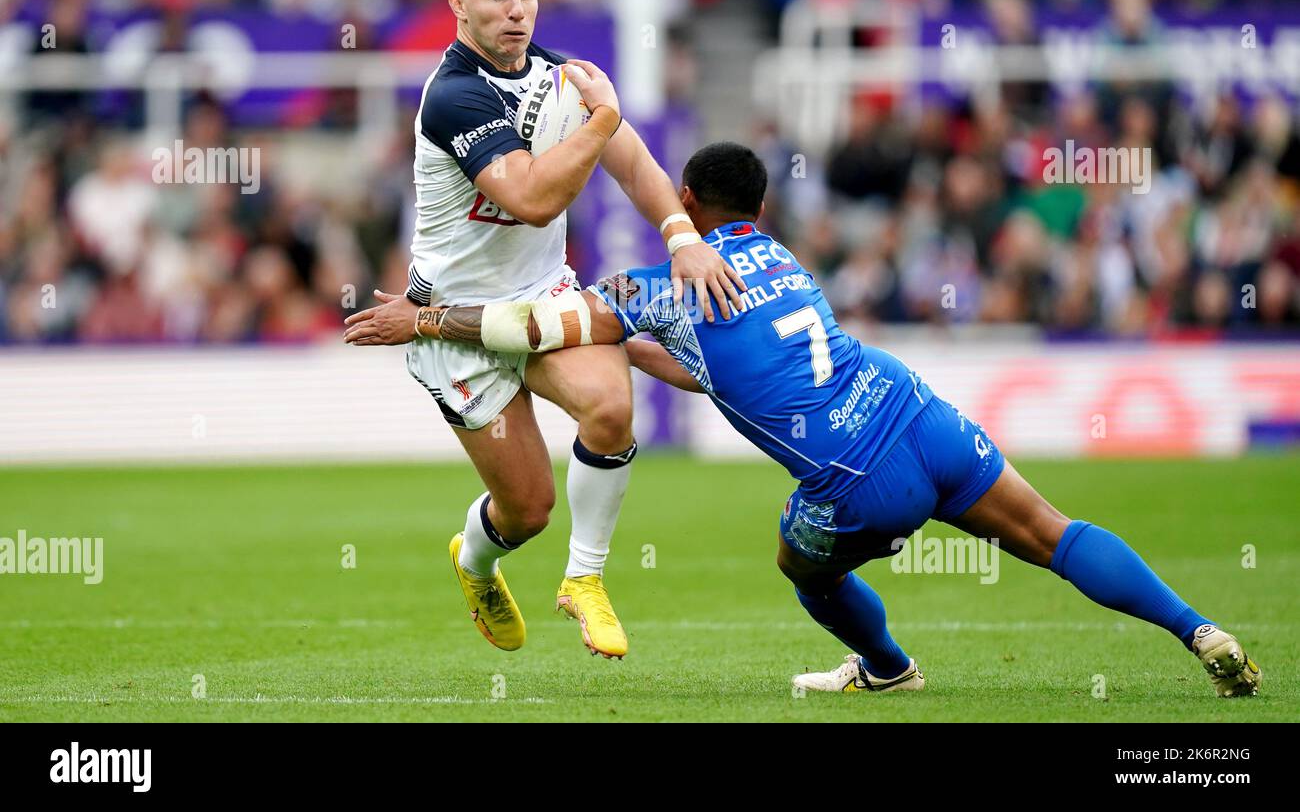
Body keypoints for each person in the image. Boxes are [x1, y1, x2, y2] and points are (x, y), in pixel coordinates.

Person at [346, 141, 1261, 698]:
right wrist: (631, 349)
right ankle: (1197, 629)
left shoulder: (663, 284)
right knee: (1051, 534)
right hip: (911, 407)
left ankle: (888, 667)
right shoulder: (779, 255)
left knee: (801, 565)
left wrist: (422, 319)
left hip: (855, 478)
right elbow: (723, 375)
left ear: (687, 209)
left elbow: (530, 325)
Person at [362, 0, 744, 659]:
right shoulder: (452, 97)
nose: (516, 11)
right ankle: (474, 564)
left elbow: (636, 168)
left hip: (539, 297)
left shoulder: (565, 77)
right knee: (528, 508)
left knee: (609, 408)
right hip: (454, 323)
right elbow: (533, 199)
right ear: (459, 5)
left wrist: (682, 237)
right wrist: (601, 120)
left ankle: (585, 580)